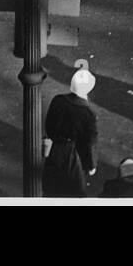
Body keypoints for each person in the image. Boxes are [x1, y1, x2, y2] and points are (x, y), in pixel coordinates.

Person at [44, 68, 98, 197]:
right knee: (75, 191)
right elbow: (90, 142)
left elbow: (49, 125)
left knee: (52, 189)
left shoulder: (58, 100)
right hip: (75, 154)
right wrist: (92, 164)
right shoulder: (87, 112)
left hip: (56, 150)